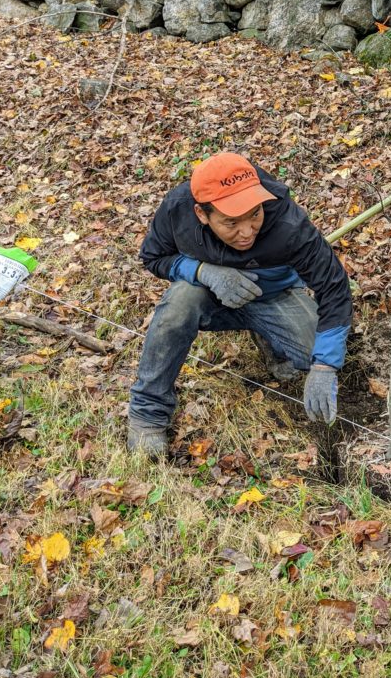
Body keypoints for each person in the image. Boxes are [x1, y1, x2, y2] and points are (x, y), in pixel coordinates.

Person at [127, 152, 352, 456]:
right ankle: (147, 413)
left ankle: (270, 340)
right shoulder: (177, 210)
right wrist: (202, 272)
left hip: (273, 293)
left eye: (254, 215)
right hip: (208, 293)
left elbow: (333, 287)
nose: (247, 232)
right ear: (202, 214)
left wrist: (325, 365)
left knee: (316, 351)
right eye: (231, 222)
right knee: (179, 303)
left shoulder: (287, 221)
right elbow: (153, 257)